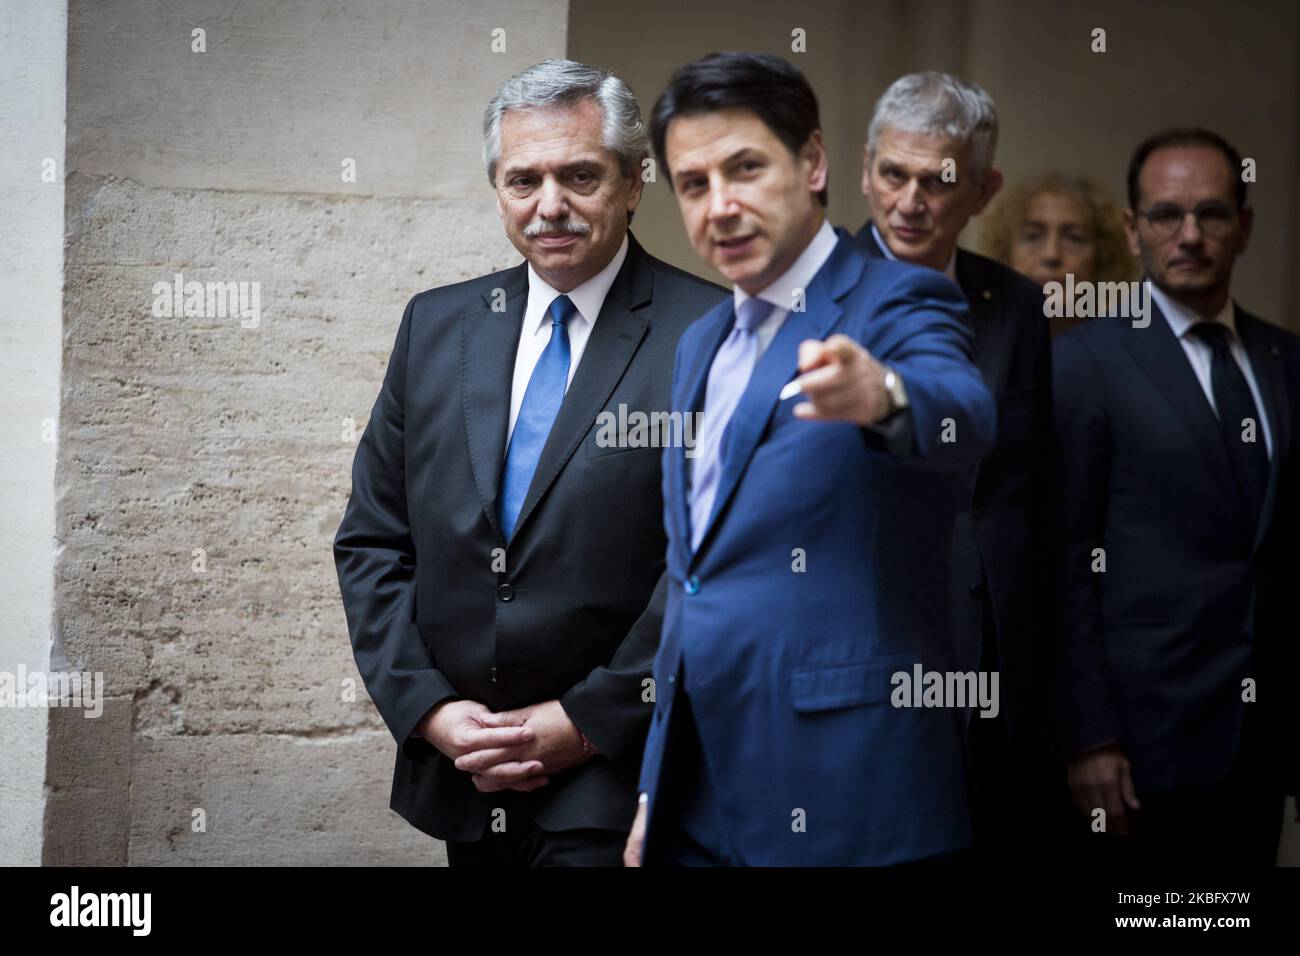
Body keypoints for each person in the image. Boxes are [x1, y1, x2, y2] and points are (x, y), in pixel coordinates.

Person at [333, 58, 727, 867]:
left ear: (633, 181)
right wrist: (433, 711)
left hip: (619, 778)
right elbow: (373, 541)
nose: (551, 206)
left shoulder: (712, 334)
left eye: (580, 176)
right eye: (524, 181)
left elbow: (713, 567)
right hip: (467, 776)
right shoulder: (437, 327)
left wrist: (587, 721)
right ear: (498, 188)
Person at [623, 52, 996, 867]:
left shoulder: (896, 298)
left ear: (815, 162)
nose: (719, 206)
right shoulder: (698, 343)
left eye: (745, 168)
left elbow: (963, 415)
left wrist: (886, 395)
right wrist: (656, 785)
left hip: (846, 793)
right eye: (692, 184)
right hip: (696, 793)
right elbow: (696, 580)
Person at [1054, 127, 1300, 867]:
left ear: (1244, 227)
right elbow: (1065, 563)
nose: (1189, 235)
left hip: (1261, 740)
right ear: (1133, 230)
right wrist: (1088, 737)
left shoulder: (1287, 359)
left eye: (1212, 214)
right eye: (1166, 215)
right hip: (1139, 744)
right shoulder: (1084, 360)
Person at [854, 71, 1062, 860]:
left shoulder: (1016, 305)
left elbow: (1036, 503)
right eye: (893, 174)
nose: (911, 201)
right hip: (861, 664)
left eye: (938, 181)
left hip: (996, 679)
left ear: (982, 189)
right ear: (866, 167)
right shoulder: (807, 296)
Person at [981, 173, 1136, 337]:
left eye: (1074, 238)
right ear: (1005, 252)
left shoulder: (1127, 351)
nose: (1051, 254)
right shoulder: (971, 346)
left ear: (1103, 257)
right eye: (1033, 236)